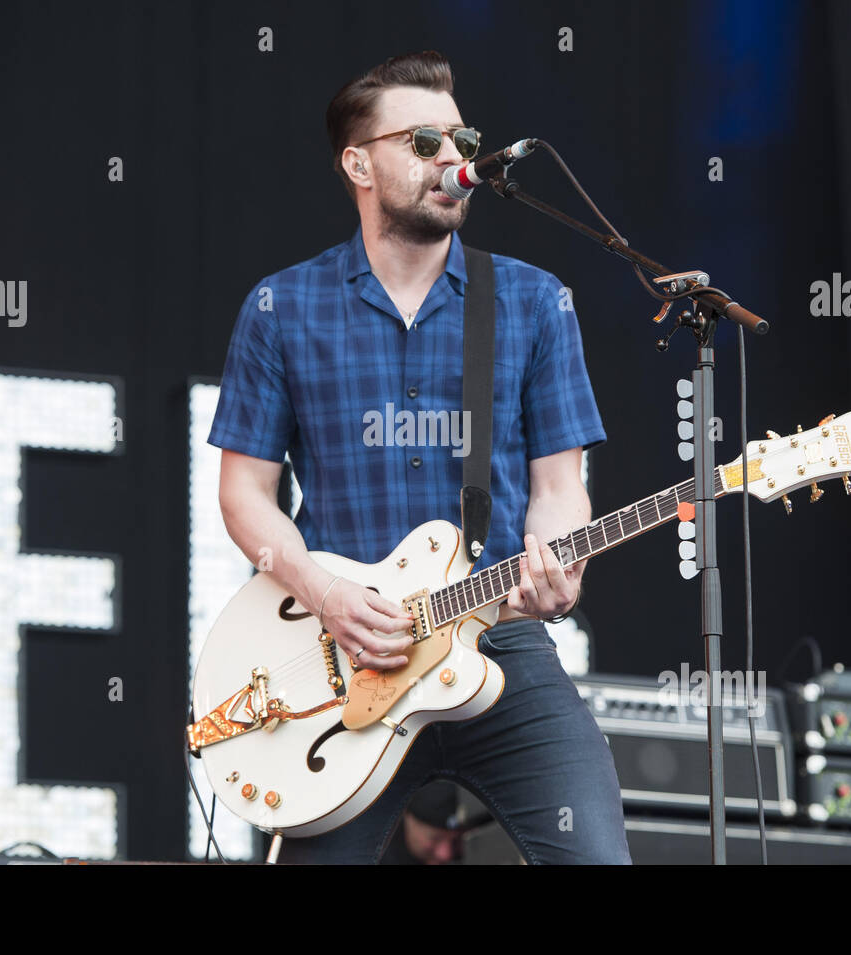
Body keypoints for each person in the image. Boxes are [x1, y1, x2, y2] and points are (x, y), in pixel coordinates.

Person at [208, 50, 631, 864]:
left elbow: (558, 488)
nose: (454, 160)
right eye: (425, 140)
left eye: (463, 139)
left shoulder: (534, 302)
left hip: (496, 639)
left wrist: (556, 560)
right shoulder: (280, 308)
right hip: (340, 657)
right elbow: (244, 495)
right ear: (358, 162)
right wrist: (326, 593)